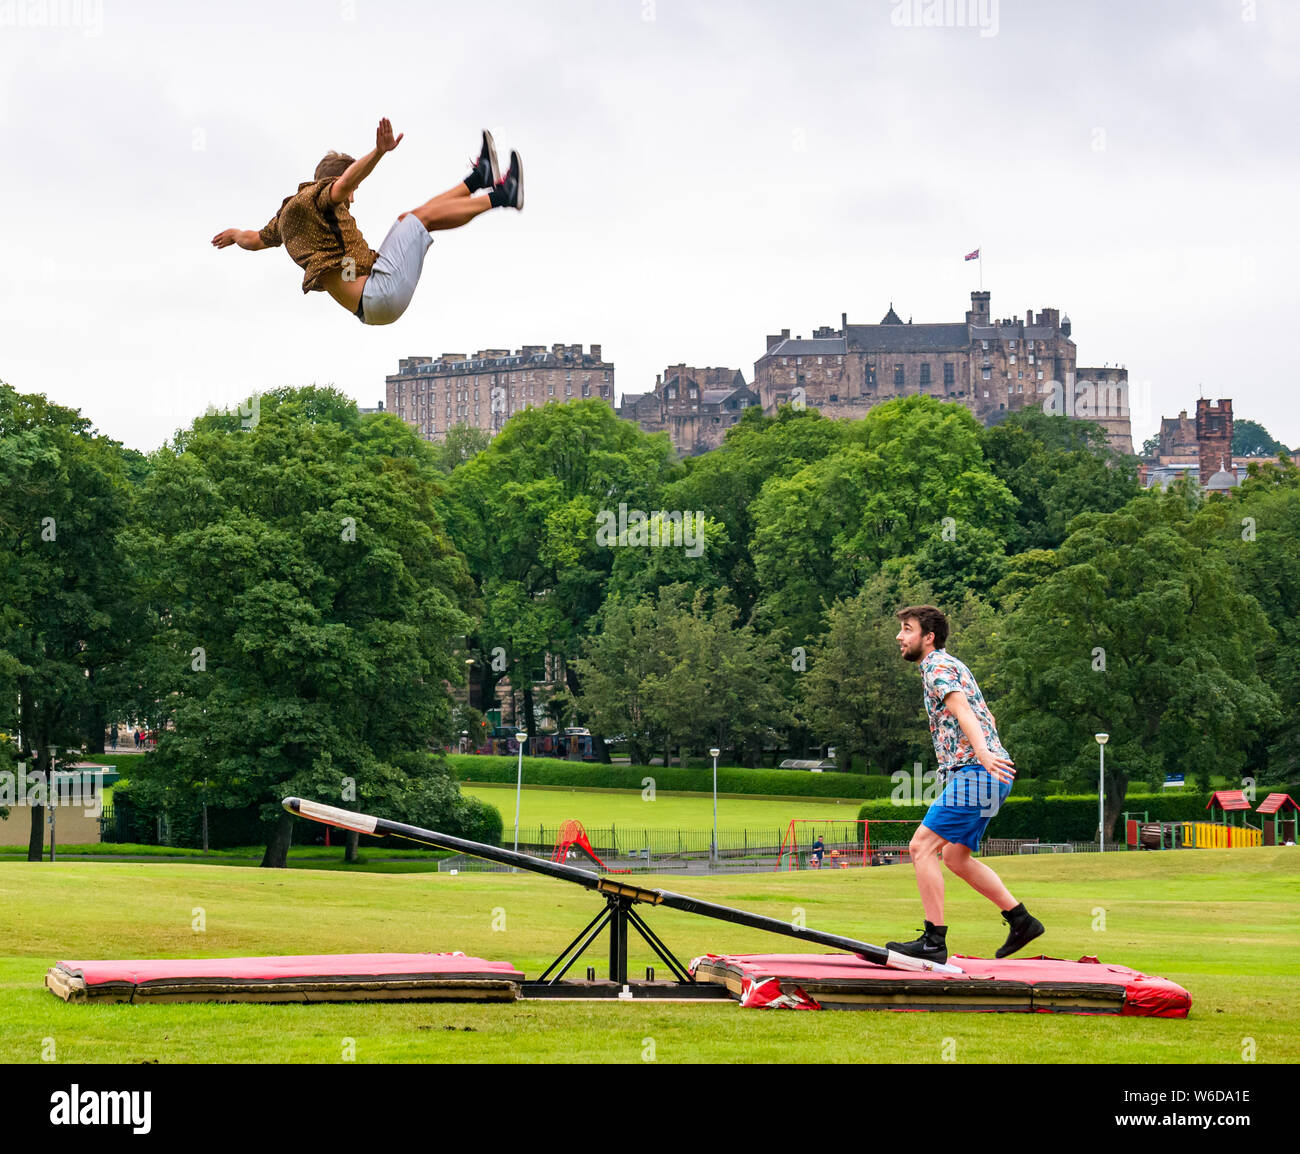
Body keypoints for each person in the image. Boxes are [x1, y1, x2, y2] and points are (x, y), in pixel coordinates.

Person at [212, 120, 522, 326]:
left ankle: (478, 178)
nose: (353, 200)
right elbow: (347, 181)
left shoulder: (285, 218)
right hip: (379, 295)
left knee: (407, 220)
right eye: (352, 194)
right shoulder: (320, 197)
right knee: (417, 220)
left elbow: (253, 239)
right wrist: (379, 152)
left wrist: (234, 234)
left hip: (372, 300)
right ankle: (503, 196)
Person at [886, 604, 1044, 964]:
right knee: (955, 857)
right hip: (987, 774)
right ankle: (1021, 921)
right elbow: (986, 712)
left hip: (977, 770)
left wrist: (985, 754)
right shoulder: (955, 664)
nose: (899, 636)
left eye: (907, 629)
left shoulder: (936, 667)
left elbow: (963, 710)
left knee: (920, 847)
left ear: (928, 637)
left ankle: (933, 942)